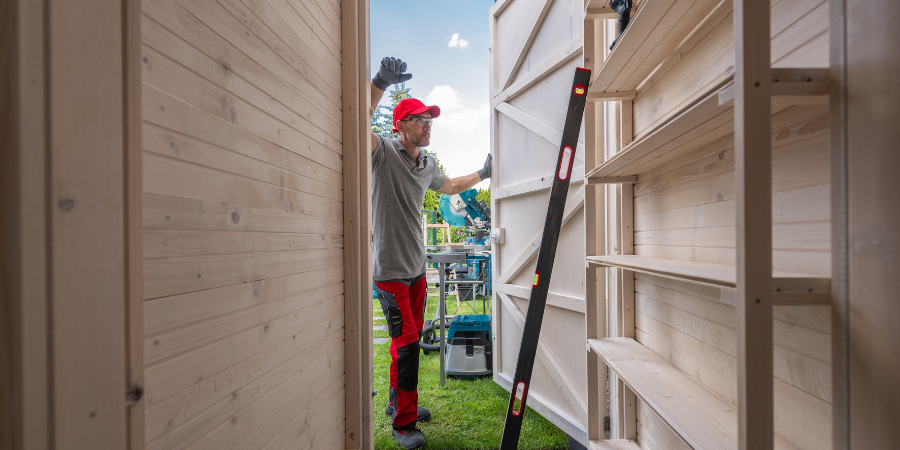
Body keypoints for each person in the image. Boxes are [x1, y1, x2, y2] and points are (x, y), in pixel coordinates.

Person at [370, 56, 491, 450]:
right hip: (389, 270)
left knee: (405, 340)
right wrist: (379, 84)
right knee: (406, 345)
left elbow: (452, 185)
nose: (428, 125)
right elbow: (353, 122)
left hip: (417, 270)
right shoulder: (383, 153)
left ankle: (396, 400)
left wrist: (484, 173)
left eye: (430, 120)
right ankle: (403, 424)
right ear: (400, 125)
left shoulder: (427, 164)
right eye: (421, 119)